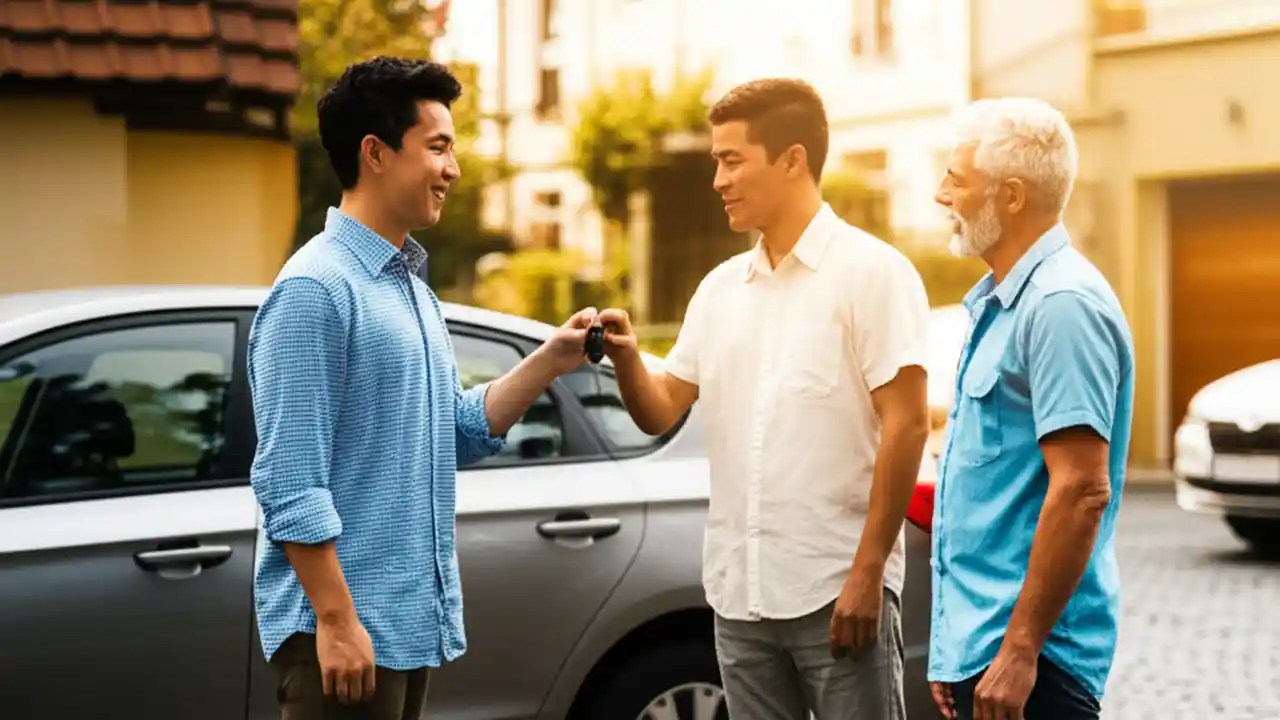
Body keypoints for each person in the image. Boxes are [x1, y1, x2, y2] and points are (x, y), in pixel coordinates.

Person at [247, 57, 595, 720]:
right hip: (343, 636)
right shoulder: (315, 291)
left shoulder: (409, 288)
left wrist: (549, 360)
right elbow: (290, 481)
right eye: (438, 147)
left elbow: (455, 430)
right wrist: (339, 622)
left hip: (403, 632)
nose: (453, 169)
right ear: (375, 153)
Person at [590, 78, 932, 719]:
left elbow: (907, 426)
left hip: (836, 594)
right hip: (738, 598)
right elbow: (661, 408)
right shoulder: (720, 289)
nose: (718, 179)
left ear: (793, 160)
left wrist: (867, 574)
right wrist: (630, 358)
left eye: (731, 159)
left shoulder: (873, 274)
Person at [927, 97, 1135, 720]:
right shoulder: (1003, 303)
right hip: (987, 651)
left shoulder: (1061, 304)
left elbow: (1080, 490)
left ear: (1010, 196)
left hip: (1036, 665)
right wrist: (954, 650)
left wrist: (1018, 650)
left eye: (956, 180)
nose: (942, 195)